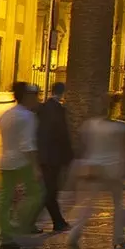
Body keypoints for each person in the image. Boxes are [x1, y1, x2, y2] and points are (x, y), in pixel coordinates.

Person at [66, 95, 125, 249]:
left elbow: (83, 145)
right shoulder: (118, 128)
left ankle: (73, 235)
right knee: (119, 204)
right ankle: (118, 237)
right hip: (113, 168)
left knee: (87, 204)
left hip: (93, 166)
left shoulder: (90, 125)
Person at [0, 81, 43, 249]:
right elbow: (27, 145)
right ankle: (18, 221)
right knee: (36, 194)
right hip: (22, 162)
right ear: (27, 98)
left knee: (4, 198)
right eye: (35, 97)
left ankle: (5, 236)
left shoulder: (4, 115)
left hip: (5, 160)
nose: (37, 100)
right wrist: (36, 166)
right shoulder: (28, 117)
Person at [35, 81, 73, 232]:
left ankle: (58, 221)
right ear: (63, 92)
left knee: (49, 190)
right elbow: (62, 135)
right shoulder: (58, 110)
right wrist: (69, 156)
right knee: (51, 190)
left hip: (44, 156)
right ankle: (57, 222)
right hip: (53, 157)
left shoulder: (43, 108)